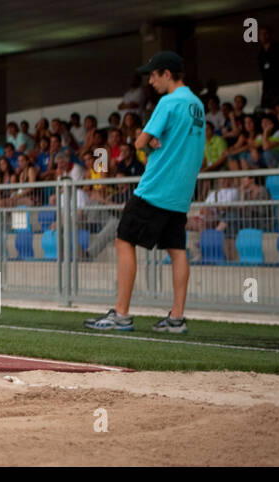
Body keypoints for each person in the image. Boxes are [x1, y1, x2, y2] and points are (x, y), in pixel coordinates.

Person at [86, 52, 205, 334]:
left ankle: (122, 314)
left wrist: (150, 145)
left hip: (155, 187)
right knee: (177, 250)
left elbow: (140, 142)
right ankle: (177, 318)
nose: (150, 80)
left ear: (166, 73)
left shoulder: (169, 102)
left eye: (153, 74)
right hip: (181, 192)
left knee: (123, 239)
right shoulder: (197, 105)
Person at [258, 27, 279, 111]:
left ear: (270, 35)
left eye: (265, 33)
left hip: (278, 83)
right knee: (270, 110)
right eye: (261, 34)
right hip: (267, 85)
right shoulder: (261, 53)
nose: (263, 36)